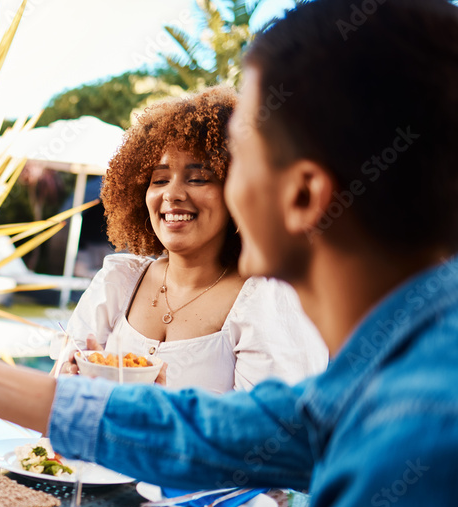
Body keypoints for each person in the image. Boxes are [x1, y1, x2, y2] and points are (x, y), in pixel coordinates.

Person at [0, 0, 458, 507]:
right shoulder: (397, 360)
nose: (182, 193)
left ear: (301, 195)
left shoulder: (425, 439)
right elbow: (206, 427)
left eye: (238, 156)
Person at [56, 87, 326, 393]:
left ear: (240, 191)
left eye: (198, 178)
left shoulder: (268, 300)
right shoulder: (117, 282)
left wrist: (155, 413)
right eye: (159, 180)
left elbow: (271, 433)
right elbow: (57, 406)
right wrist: (68, 383)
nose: (172, 194)